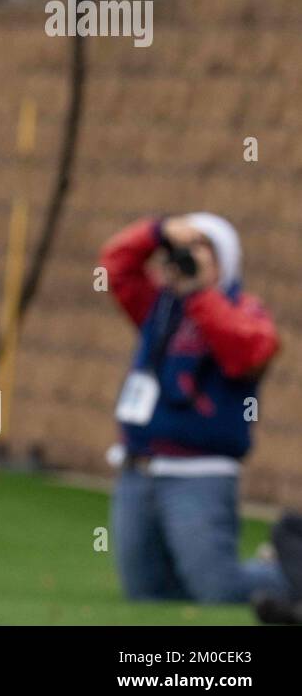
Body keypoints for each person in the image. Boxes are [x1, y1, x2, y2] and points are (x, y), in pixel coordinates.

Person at [101, 212, 292, 604]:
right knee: (148, 593)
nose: (188, 256)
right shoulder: (161, 308)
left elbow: (248, 352)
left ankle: (291, 571)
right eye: (182, 250)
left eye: (203, 247)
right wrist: (157, 231)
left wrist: (202, 292)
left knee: (218, 589)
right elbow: (115, 266)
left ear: (225, 257)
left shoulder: (244, 310)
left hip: (199, 474)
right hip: (138, 470)